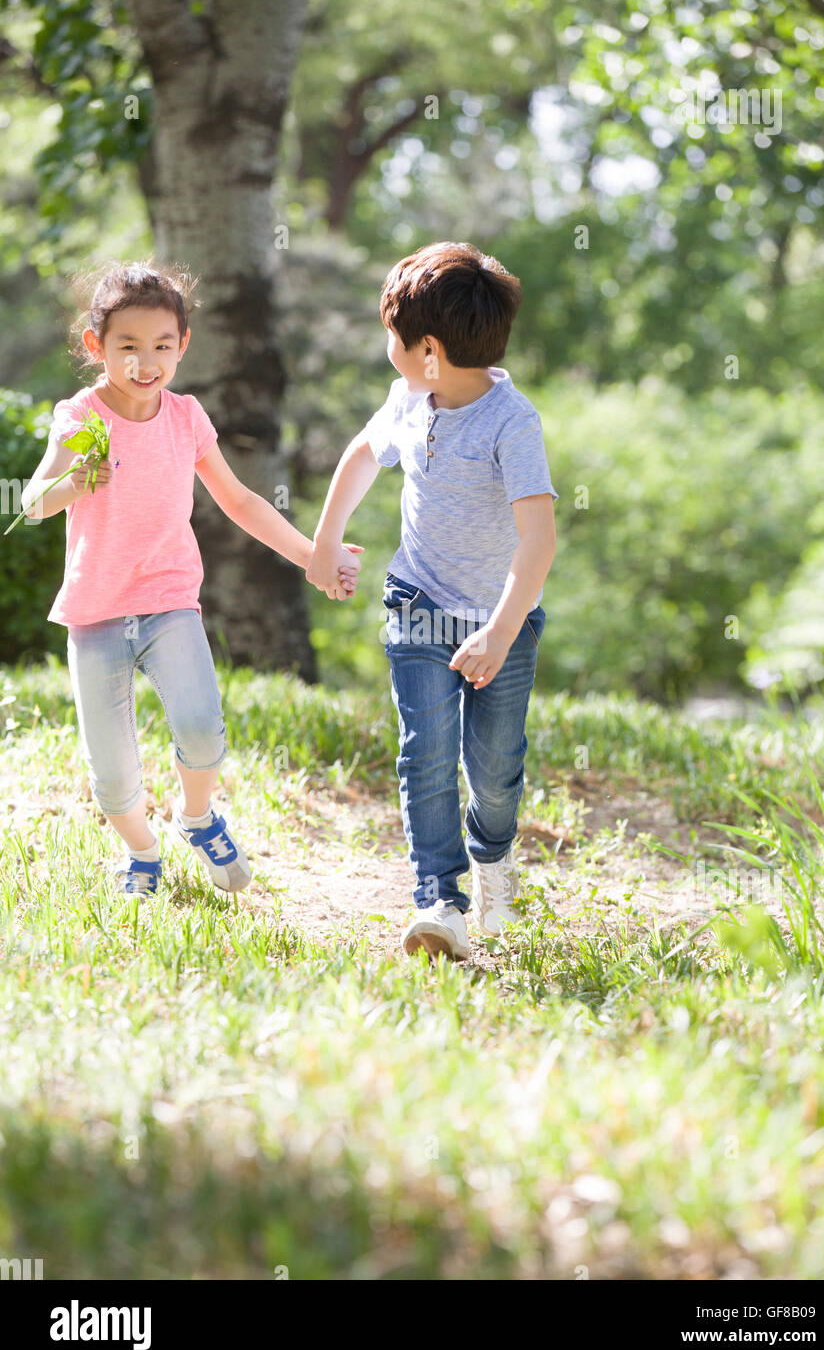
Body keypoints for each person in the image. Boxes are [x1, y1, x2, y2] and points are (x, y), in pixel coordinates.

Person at [19, 260, 361, 900]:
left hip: (169, 601)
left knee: (203, 727)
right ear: (96, 347)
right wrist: (78, 481)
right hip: (95, 613)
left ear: (182, 347)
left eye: (161, 346)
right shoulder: (82, 414)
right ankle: (141, 852)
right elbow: (31, 501)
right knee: (114, 778)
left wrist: (314, 553)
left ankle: (196, 815)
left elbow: (240, 501)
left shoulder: (186, 418)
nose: (145, 362)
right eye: (127, 347)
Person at [306, 242, 557, 961]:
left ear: (428, 350)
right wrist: (326, 540)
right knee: (426, 752)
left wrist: (503, 632)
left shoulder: (514, 422)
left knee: (495, 769)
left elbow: (538, 540)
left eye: (392, 334)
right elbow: (362, 454)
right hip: (416, 601)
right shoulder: (410, 397)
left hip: (500, 621)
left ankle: (493, 857)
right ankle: (439, 900)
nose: (386, 346)